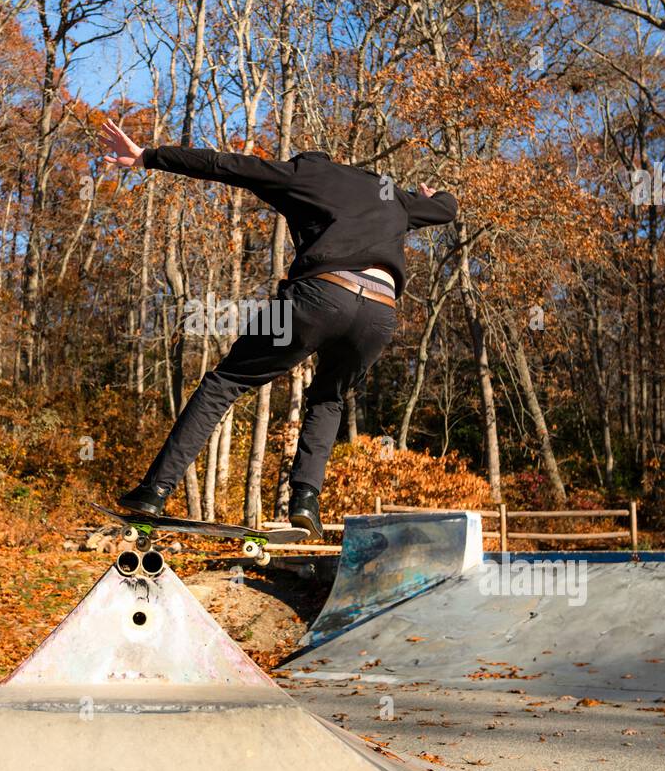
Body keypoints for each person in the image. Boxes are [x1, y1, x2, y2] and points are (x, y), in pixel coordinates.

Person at [98, 117, 458, 539]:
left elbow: (223, 164)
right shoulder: (390, 193)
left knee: (224, 382)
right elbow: (447, 208)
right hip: (380, 312)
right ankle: (306, 499)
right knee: (329, 399)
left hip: (319, 296)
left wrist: (147, 157)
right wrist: (433, 195)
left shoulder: (302, 174)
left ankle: (154, 490)